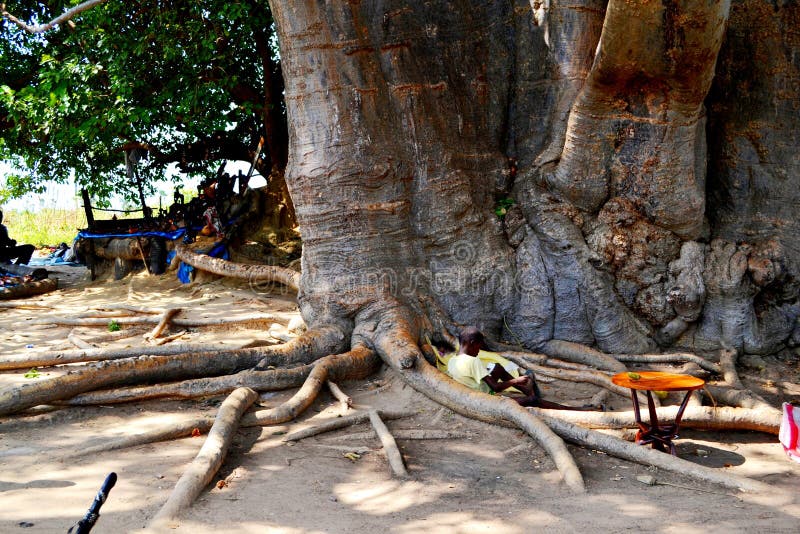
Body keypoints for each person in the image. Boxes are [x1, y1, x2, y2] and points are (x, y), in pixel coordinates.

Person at [444, 327, 594, 410]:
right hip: (487, 400)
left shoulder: (452, 361)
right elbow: (495, 387)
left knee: (496, 367)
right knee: (533, 400)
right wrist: (515, 380)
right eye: (479, 346)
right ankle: (580, 410)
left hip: (474, 393)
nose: (480, 350)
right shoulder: (472, 362)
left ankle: (527, 389)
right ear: (471, 342)